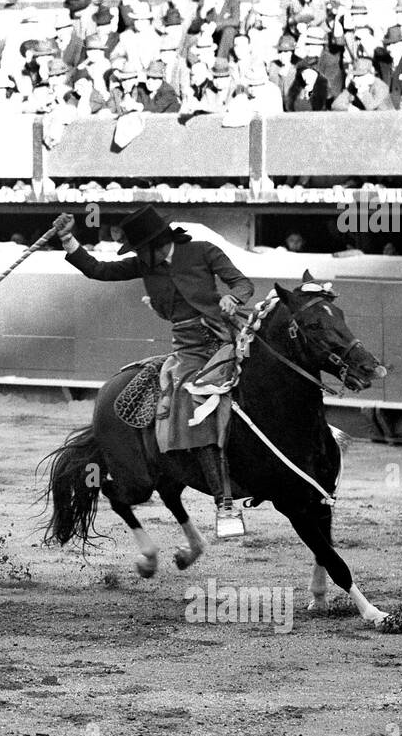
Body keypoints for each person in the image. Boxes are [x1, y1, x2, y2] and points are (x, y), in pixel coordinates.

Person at [53, 206, 254, 529]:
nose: (137, 255)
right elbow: (98, 270)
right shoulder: (145, 264)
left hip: (227, 334)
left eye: (138, 248)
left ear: (156, 242)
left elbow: (242, 283)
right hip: (190, 349)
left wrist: (234, 298)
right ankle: (224, 501)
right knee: (191, 399)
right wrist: (67, 239)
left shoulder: (202, 251)